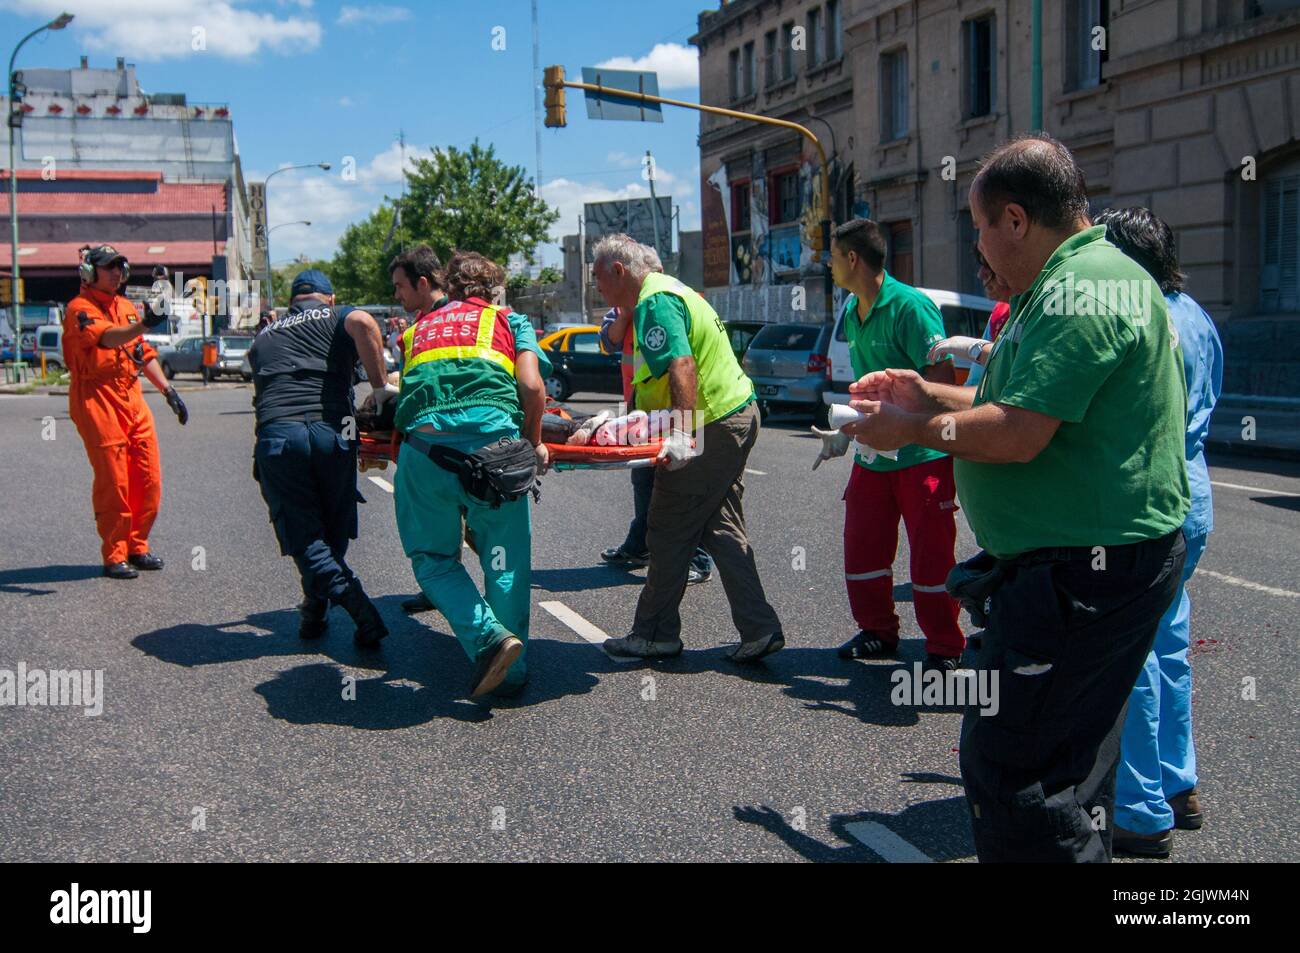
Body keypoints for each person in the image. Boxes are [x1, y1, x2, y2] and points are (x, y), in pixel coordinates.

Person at [842, 134, 1190, 862]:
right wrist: (925, 388)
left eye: (978, 228)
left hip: (1085, 574)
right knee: (1050, 765)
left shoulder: (1085, 288)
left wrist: (913, 425)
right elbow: (1014, 394)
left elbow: (1021, 430)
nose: (978, 245)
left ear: (1016, 219)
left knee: (1016, 773)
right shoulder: (1066, 282)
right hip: (1076, 567)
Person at [1095, 207, 1224, 858]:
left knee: (1135, 652)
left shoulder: (1141, 320)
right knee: (1169, 643)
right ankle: (1180, 784)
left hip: (1155, 492)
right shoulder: (1195, 315)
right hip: (1196, 488)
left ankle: (1142, 814)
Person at [591, 234, 783, 663]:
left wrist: (680, 434)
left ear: (619, 271)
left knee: (667, 526)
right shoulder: (670, 291)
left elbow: (681, 364)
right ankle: (759, 628)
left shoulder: (654, 301)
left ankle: (655, 634)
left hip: (709, 422)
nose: (597, 288)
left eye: (598, 278)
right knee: (719, 526)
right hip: (732, 414)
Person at [392, 251, 549, 698]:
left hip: (424, 455)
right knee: (505, 561)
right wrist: (534, 442)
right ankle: (512, 673)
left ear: (448, 288)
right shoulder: (510, 322)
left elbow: (408, 394)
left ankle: (487, 638)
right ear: (495, 291)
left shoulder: (416, 329)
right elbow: (532, 387)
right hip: (495, 457)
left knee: (434, 559)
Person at [816, 219, 965, 672]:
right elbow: (866, 388)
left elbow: (941, 385)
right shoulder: (852, 307)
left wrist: (917, 429)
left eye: (833, 255)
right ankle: (877, 631)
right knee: (862, 544)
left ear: (853, 259)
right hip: (874, 453)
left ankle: (943, 647)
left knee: (932, 556)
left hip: (922, 455)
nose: (829, 263)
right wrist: (848, 428)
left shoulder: (911, 306)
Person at [247, 268, 394, 646]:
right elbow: (362, 321)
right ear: (329, 298)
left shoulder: (263, 335)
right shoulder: (336, 315)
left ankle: (319, 607)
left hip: (281, 436)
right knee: (331, 526)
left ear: (293, 301)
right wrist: (381, 390)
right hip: (334, 433)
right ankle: (347, 606)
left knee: (306, 534)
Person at [63, 245, 188, 579]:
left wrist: (169, 390)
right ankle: (115, 553)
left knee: (148, 477)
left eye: (120, 267)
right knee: (114, 480)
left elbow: (141, 352)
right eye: (108, 268)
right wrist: (144, 323)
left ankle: (137, 546)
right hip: (97, 397)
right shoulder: (79, 308)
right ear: (90, 272)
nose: (116, 273)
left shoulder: (126, 306)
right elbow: (106, 339)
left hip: (131, 396)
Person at [598, 298, 713, 585]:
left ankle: (697, 558)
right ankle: (640, 547)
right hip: (640, 407)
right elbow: (608, 343)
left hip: (676, 408)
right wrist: (625, 312)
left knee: (681, 486)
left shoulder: (671, 303)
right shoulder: (625, 309)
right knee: (643, 480)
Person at [386, 245, 452, 617]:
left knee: (440, 521)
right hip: (451, 435)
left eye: (400, 286)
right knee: (446, 523)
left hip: (441, 437)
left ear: (422, 282)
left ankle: (447, 588)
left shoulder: (437, 325)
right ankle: (439, 586)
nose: (397, 295)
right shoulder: (429, 322)